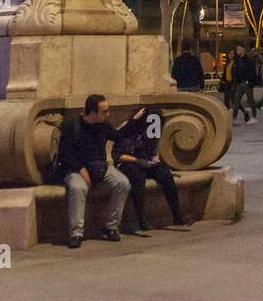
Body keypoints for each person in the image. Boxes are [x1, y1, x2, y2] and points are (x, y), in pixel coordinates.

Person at [55, 95, 138, 248]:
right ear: (92, 113)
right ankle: (76, 233)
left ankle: (111, 227)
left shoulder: (103, 126)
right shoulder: (71, 126)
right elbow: (65, 153)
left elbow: (118, 136)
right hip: (76, 168)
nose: (108, 114)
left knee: (123, 183)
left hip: (100, 167)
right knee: (78, 188)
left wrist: (134, 121)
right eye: (104, 111)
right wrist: (81, 169)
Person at [113, 105, 190, 234]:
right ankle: (141, 219)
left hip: (145, 161)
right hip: (128, 162)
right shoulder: (128, 128)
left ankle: (177, 215)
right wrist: (138, 161)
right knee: (138, 178)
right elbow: (118, 155)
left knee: (165, 175)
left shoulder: (153, 131)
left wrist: (153, 160)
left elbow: (153, 150)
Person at [229, 45, 258, 124]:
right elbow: (235, 72)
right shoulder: (237, 61)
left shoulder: (248, 60)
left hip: (247, 83)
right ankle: (234, 118)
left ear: (243, 50)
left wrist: (249, 82)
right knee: (236, 100)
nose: (237, 51)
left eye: (239, 49)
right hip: (240, 83)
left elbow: (252, 72)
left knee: (250, 100)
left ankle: (254, 117)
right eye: (237, 49)